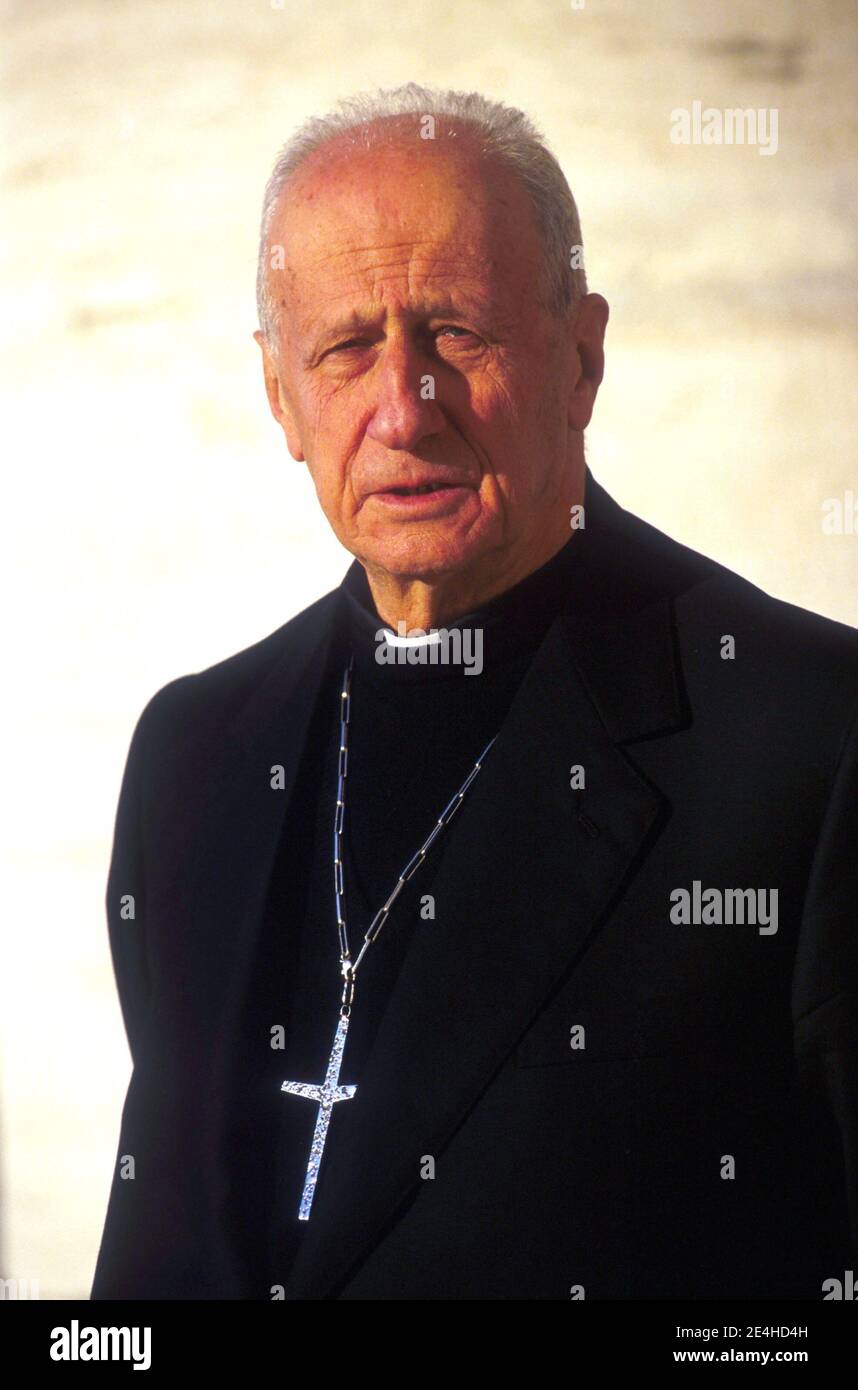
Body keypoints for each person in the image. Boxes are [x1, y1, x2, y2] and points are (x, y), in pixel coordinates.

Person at [91, 84, 858, 1301]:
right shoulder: (196, 749)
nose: (405, 408)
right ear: (279, 395)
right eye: (346, 347)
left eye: (457, 332)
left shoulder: (812, 745)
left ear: (584, 355)